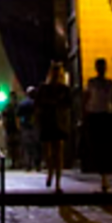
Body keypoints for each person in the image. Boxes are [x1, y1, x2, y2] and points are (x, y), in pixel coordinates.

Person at [81, 58, 112, 192]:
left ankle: (104, 175)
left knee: (103, 146)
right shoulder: (94, 82)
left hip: (102, 114)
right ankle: (103, 175)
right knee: (99, 146)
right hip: (98, 114)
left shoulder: (108, 83)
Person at [36, 63, 73, 192]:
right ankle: (50, 170)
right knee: (49, 151)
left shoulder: (64, 89)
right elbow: (38, 103)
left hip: (59, 121)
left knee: (58, 152)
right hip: (48, 121)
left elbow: (69, 104)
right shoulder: (44, 88)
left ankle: (57, 180)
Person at [18, 87, 41, 172]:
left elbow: (18, 116)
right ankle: (37, 164)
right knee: (36, 146)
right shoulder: (37, 103)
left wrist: (19, 126)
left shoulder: (23, 103)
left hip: (25, 126)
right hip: (35, 126)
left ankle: (28, 164)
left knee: (27, 147)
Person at [4, 90, 21, 169]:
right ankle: (16, 162)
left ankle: (14, 162)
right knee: (16, 146)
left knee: (12, 146)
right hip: (14, 129)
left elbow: (4, 116)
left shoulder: (8, 106)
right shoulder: (18, 106)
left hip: (11, 129)